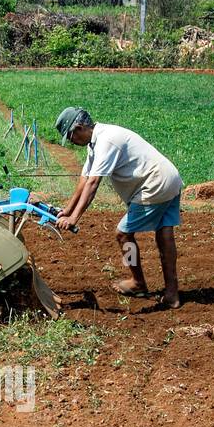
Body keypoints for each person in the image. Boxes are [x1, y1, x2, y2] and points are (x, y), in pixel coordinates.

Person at [54, 107, 184, 309]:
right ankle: (171, 293)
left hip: (154, 184)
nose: (71, 142)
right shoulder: (95, 143)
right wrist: (67, 211)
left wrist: (74, 219)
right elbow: (84, 180)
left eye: (70, 137)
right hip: (169, 178)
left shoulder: (107, 141)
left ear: (79, 128)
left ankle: (138, 282)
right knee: (164, 231)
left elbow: (93, 183)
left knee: (123, 234)